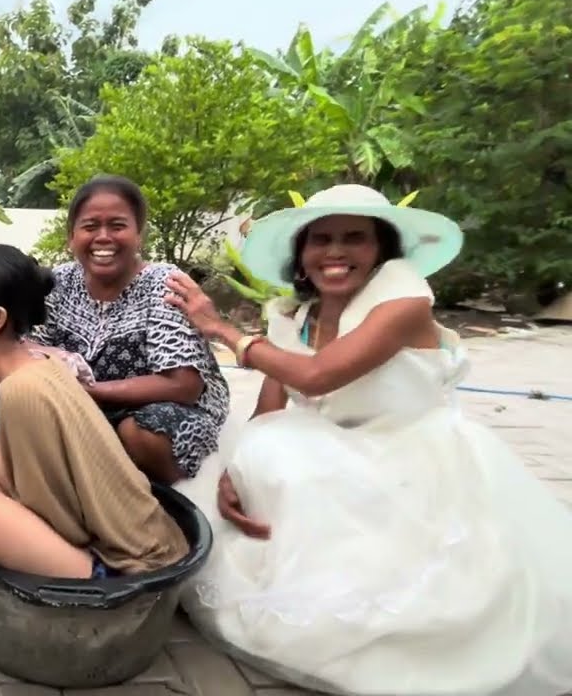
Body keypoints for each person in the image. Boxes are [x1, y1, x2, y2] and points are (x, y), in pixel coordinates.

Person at [163, 184, 572, 696]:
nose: (335, 251)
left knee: (296, 462)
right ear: (302, 255)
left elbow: (317, 377)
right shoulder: (295, 314)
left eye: (354, 238)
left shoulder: (403, 301)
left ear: (380, 249)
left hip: (412, 456)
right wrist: (236, 472)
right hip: (326, 450)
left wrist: (222, 330)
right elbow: (274, 399)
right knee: (246, 453)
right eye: (321, 240)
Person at [0, 244, 190, 579]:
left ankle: (91, 577)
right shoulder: (41, 362)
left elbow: (61, 520)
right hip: (138, 530)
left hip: (135, 561)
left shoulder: (20, 390)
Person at [26, 176, 230, 484]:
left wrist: (91, 393)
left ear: (139, 236)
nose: (103, 237)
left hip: (165, 414)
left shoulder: (165, 284)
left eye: (118, 226)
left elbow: (183, 385)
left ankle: (168, 505)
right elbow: (28, 350)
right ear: (71, 237)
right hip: (82, 412)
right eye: (90, 226)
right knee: (12, 397)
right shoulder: (58, 283)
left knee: (142, 432)